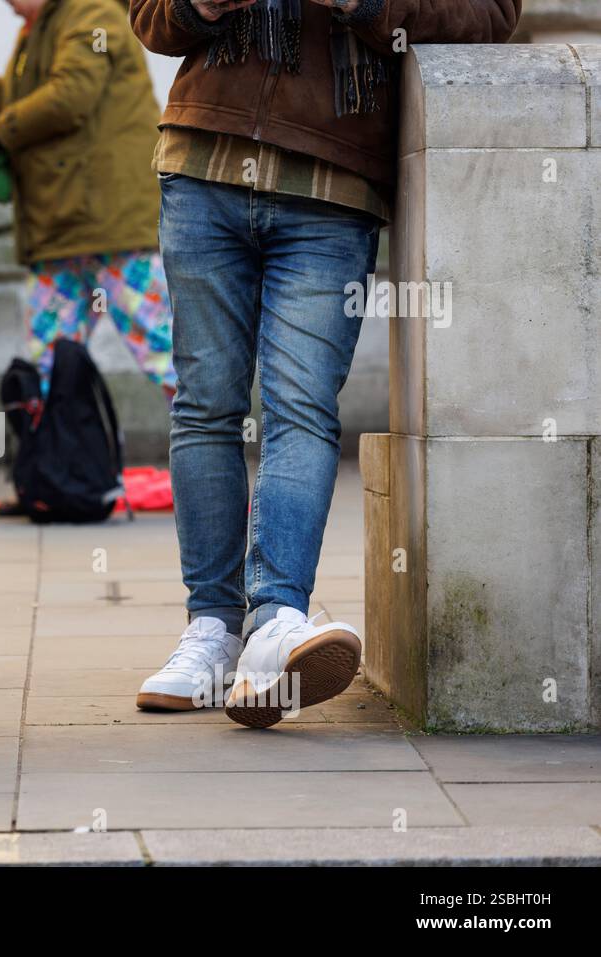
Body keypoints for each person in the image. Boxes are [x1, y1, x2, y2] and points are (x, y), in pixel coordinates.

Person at [129, 0, 521, 727]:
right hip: (202, 161)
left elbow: (492, 16)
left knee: (299, 406)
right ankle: (212, 630)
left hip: (334, 179)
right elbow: (149, 19)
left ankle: (276, 621)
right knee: (204, 404)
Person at [0, 0, 177, 403]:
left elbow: (70, 97)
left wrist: (0, 132)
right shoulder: (42, 25)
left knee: (162, 351)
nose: (7, 5)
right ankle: (64, 463)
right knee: (47, 366)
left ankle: (213, 444)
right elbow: (35, 102)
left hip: (110, 225)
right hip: (61, 227)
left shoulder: (94, 14)